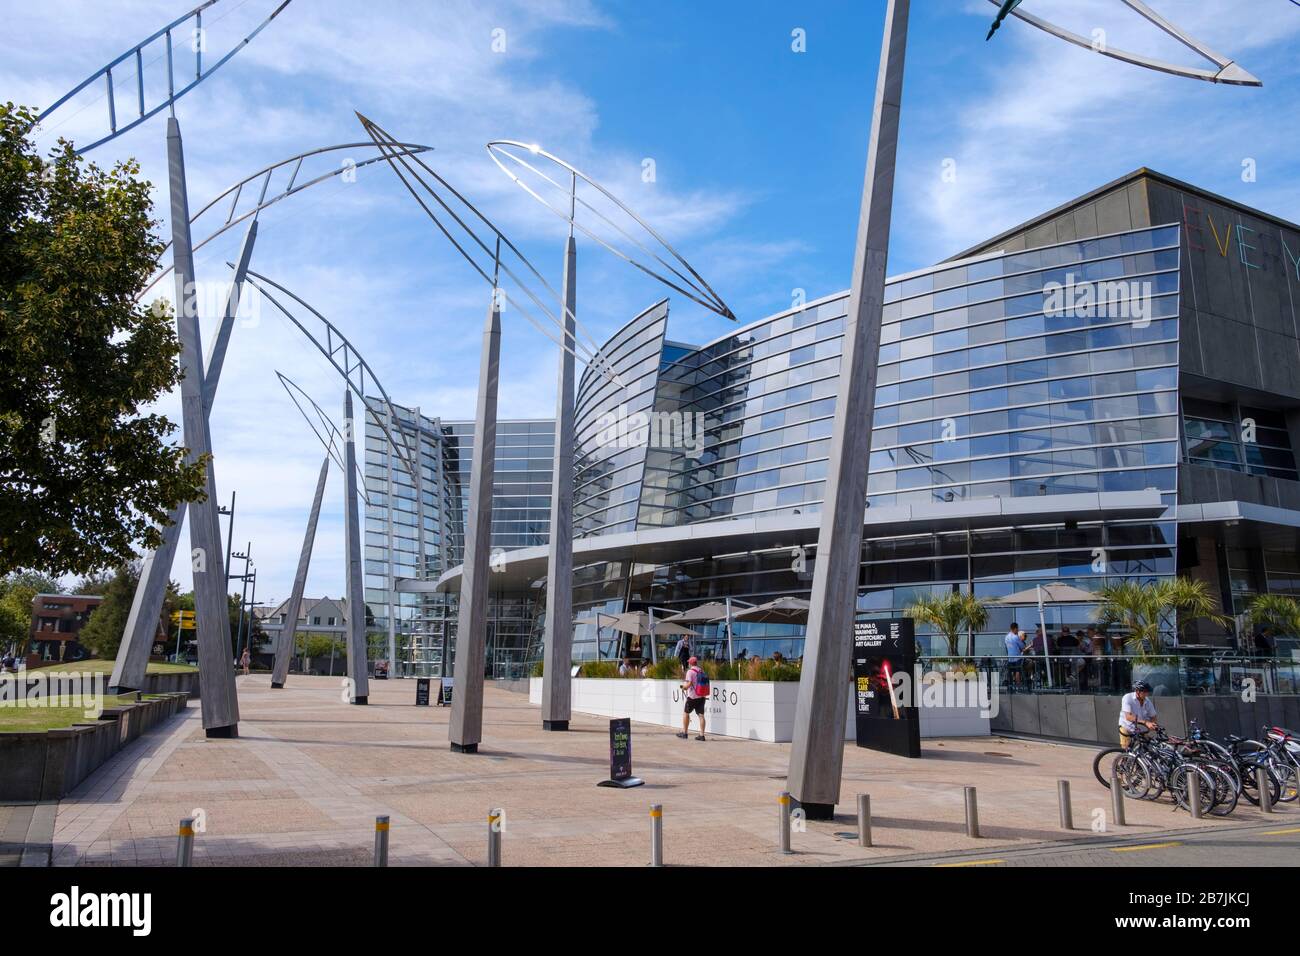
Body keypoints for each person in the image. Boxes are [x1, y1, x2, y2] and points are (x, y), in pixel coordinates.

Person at [1118, 680, 1158, 748]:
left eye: (1147, 692)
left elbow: (1153, 716)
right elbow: (1128, 717)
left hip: (1139, 728)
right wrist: (1146, 723)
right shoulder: (1127, 698)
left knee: (1146, 747)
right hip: (1126, 727)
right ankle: (1125, 754)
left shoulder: (1147, 701)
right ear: (1137, 691)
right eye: (1144, 692)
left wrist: (1152, 724)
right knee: (1126, 748)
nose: (1146, 694)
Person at [677, 656, 708, 741]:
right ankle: (702, 735)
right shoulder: (701, 670)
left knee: (686, 713)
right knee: (701, 715)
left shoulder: (690, 672)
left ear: (690, 663)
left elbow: (689, 683)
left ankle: (685, 733)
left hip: (692, 697)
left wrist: (684, 687)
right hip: (702, 696)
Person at [1004, 622, 1025, 689]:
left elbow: (1006, 647)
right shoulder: (1016, 637)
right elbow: (1022, 647)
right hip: (1017, 657)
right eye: (1017, 629)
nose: (1018, 630)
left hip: (1010, 658)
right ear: (1015, 628)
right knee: (1017, 672)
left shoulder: (1006, 637)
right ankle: (1018, 687)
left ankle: (1010, 688)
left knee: (1011, 672)